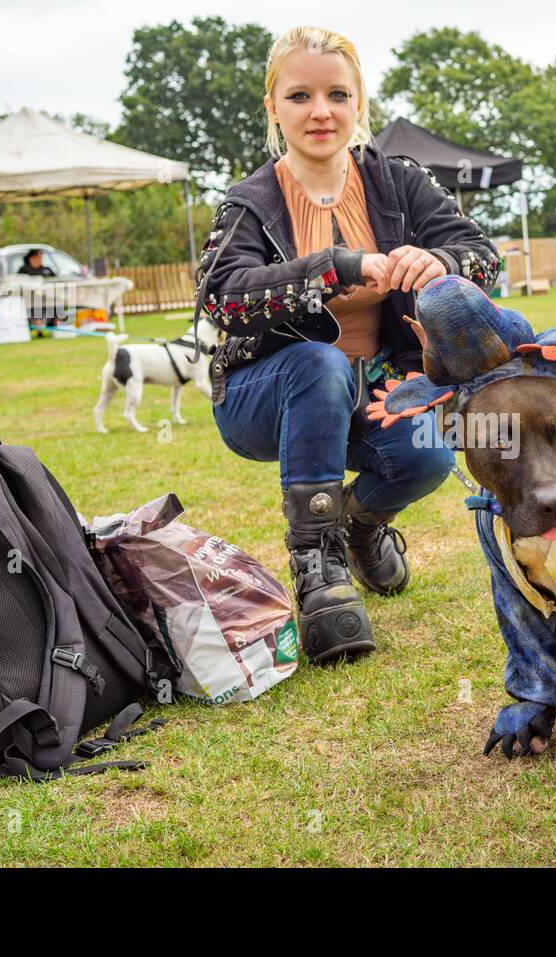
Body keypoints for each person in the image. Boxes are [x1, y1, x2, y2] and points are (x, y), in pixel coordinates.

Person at [196, 25, 500, 667]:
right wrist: (331, 268)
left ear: (360, 104)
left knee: (426, 457)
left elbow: (483, 258)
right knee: (317, 361)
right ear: (273, 106)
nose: (321, 111)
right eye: (300, 96)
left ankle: (358, 523)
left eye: (338, 94)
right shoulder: (248, 202)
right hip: (263, 397)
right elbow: (220, 295)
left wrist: (436, 260)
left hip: (380, 384)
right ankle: (316, 565)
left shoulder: (399, 182)